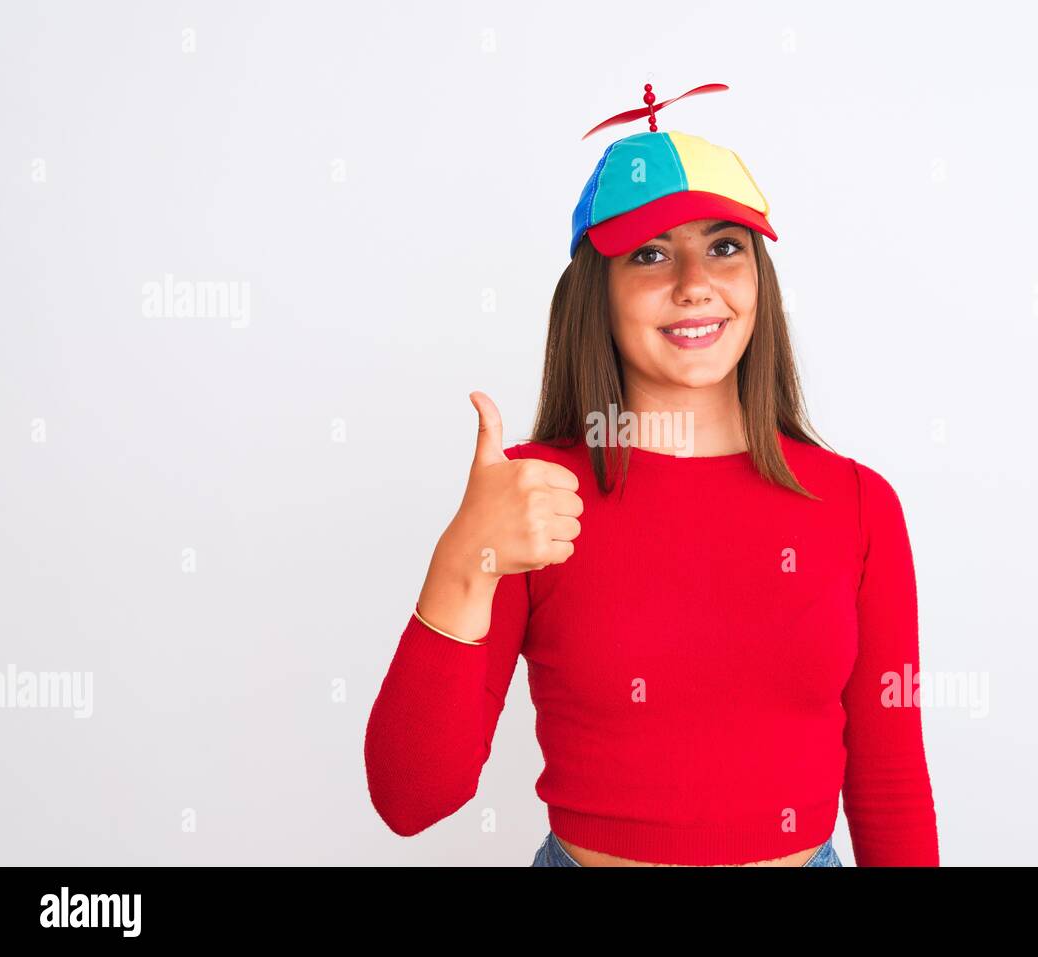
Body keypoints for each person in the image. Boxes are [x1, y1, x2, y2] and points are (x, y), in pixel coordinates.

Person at [363, 84, 940, 867]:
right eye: (651, 252)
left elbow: (891, 777)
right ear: (594, 294)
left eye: (726, 245)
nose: (696, 280)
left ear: (759, 280)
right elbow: (411, 797)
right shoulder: (532, 499)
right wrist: (466, 557)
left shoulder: (857, 504)